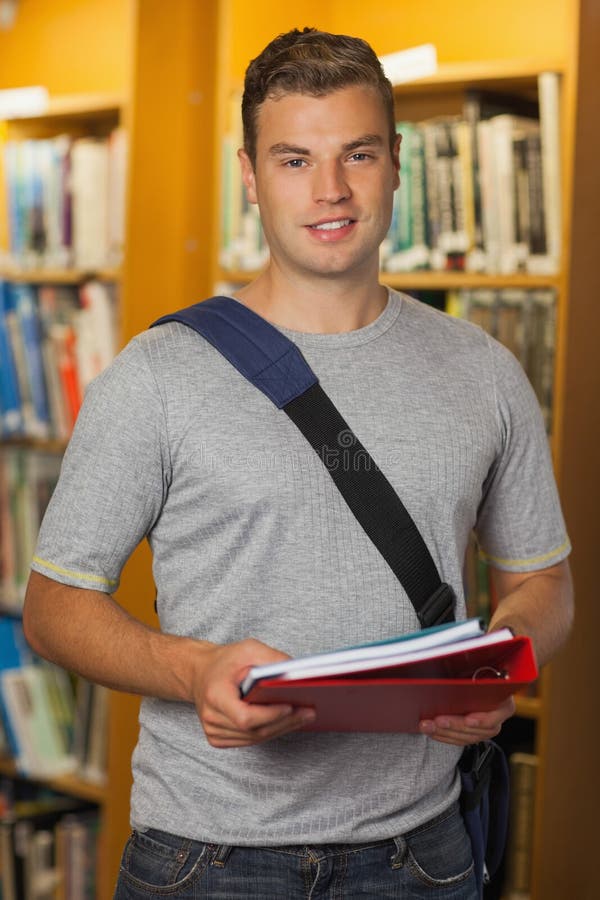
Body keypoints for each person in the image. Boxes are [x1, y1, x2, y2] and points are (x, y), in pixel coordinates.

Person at [23, 27, 573, 899]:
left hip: (422, 855)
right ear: (248, 175)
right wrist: (192, 671)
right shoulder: (159, 374)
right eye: (293, 160)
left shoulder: (486, 373)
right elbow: (53, 606)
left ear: (395, 162)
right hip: (207, 857)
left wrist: (505, 663)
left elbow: (546, 584)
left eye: (357, 153)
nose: (330, 190)